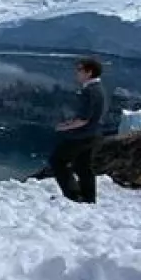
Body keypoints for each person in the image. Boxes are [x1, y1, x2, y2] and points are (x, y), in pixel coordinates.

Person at [49, 57, 107, 204]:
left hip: (81, 135)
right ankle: (88, 198)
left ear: (89, 72)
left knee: (58, 161)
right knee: (83, 166)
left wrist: (64, 127)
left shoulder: (90, 91)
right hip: (92, 134)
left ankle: (73, 196)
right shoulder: (97, 89)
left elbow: (84, 119)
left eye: (80, 70)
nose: (77, 73)